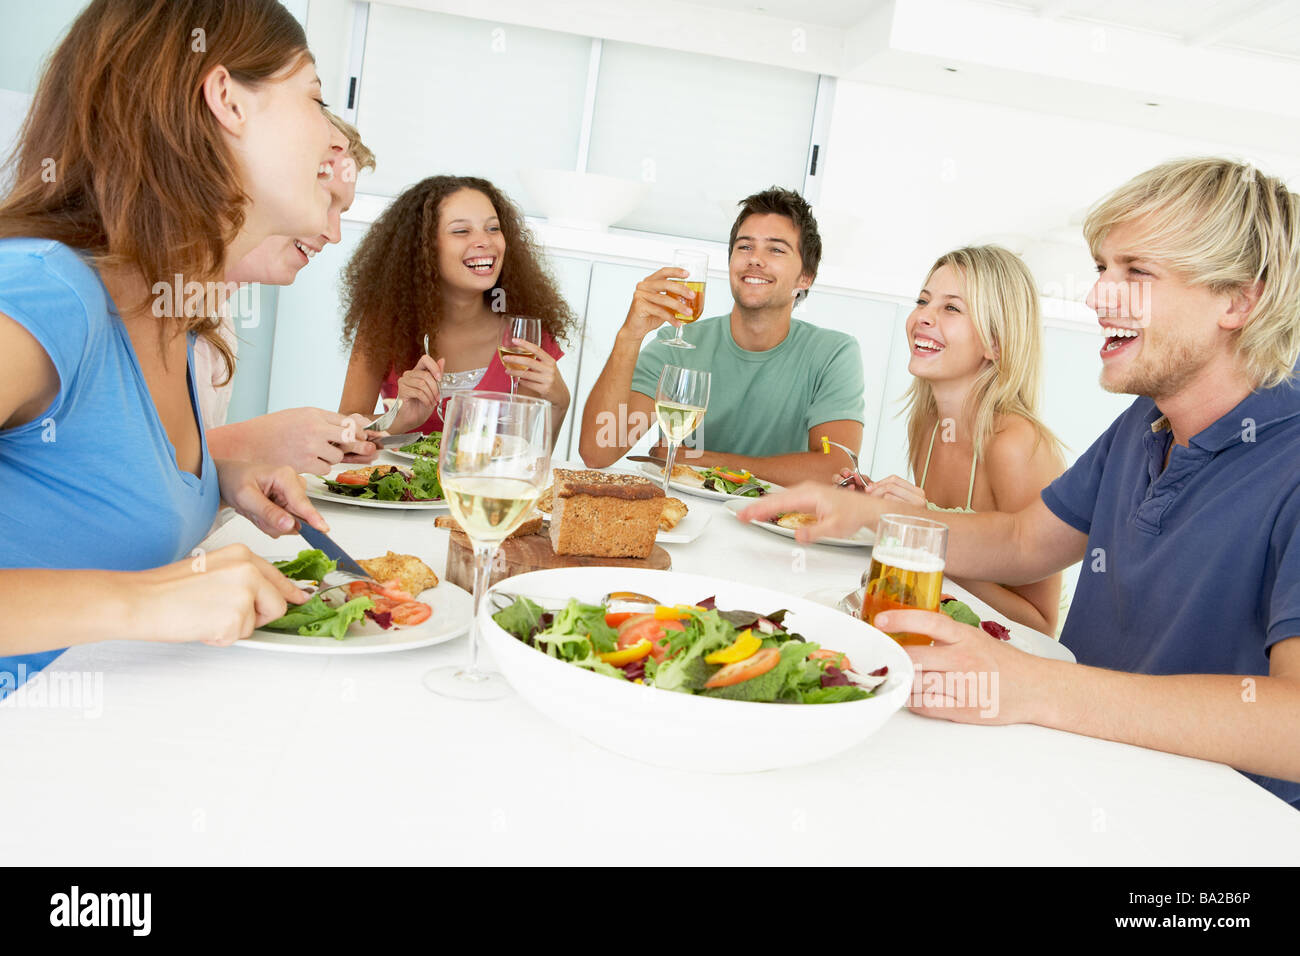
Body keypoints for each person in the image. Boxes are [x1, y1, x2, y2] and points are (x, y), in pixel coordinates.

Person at [742, 157, 1300, 808]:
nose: (1098, 297)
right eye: (1102, 268)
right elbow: (1023, 540)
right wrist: (868, 517)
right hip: (1074, 773)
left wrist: (1032, 684)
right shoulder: (1145, 422)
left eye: (1137, 273)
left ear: (1239, 299)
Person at [0, 0, 335, 695]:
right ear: (228, 101)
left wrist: (216, 476)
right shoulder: (45, 294)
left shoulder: (169, 321)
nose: (334, 141)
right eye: (316, 98)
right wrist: (144, 600)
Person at [844, 246, 1065, 634]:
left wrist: (923, 536)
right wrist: (884, 511)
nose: (923, 317)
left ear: (996, 342)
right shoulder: (927, 424)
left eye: (951, 308)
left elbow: (1040, 625)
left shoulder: (1016, 447)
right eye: (923, 301)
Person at [578, 186, 865, 484]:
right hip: (680, 510)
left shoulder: (833, 354)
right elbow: (598, 452)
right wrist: (629, 336)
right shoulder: (676, 345)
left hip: (774, 514)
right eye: (745, 247)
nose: (755, 259)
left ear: (806, 276)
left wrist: (704, 461)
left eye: (776, 249)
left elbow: (837, 468)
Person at [200, 111, 382, 474]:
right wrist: (256, 443)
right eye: (326, 200)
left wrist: (308, 445)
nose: (334, 234)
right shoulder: (147, 306)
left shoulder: (219, 319)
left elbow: (186, 478)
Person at [337, 176, 575, 442]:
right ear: (423, 247)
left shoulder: (523, 338)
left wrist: (559, 403)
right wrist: (398, 419)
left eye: (493, 228)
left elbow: (523, 455)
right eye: (461, 231)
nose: (484, 241)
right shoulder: (383, 325)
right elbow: (344, 433)